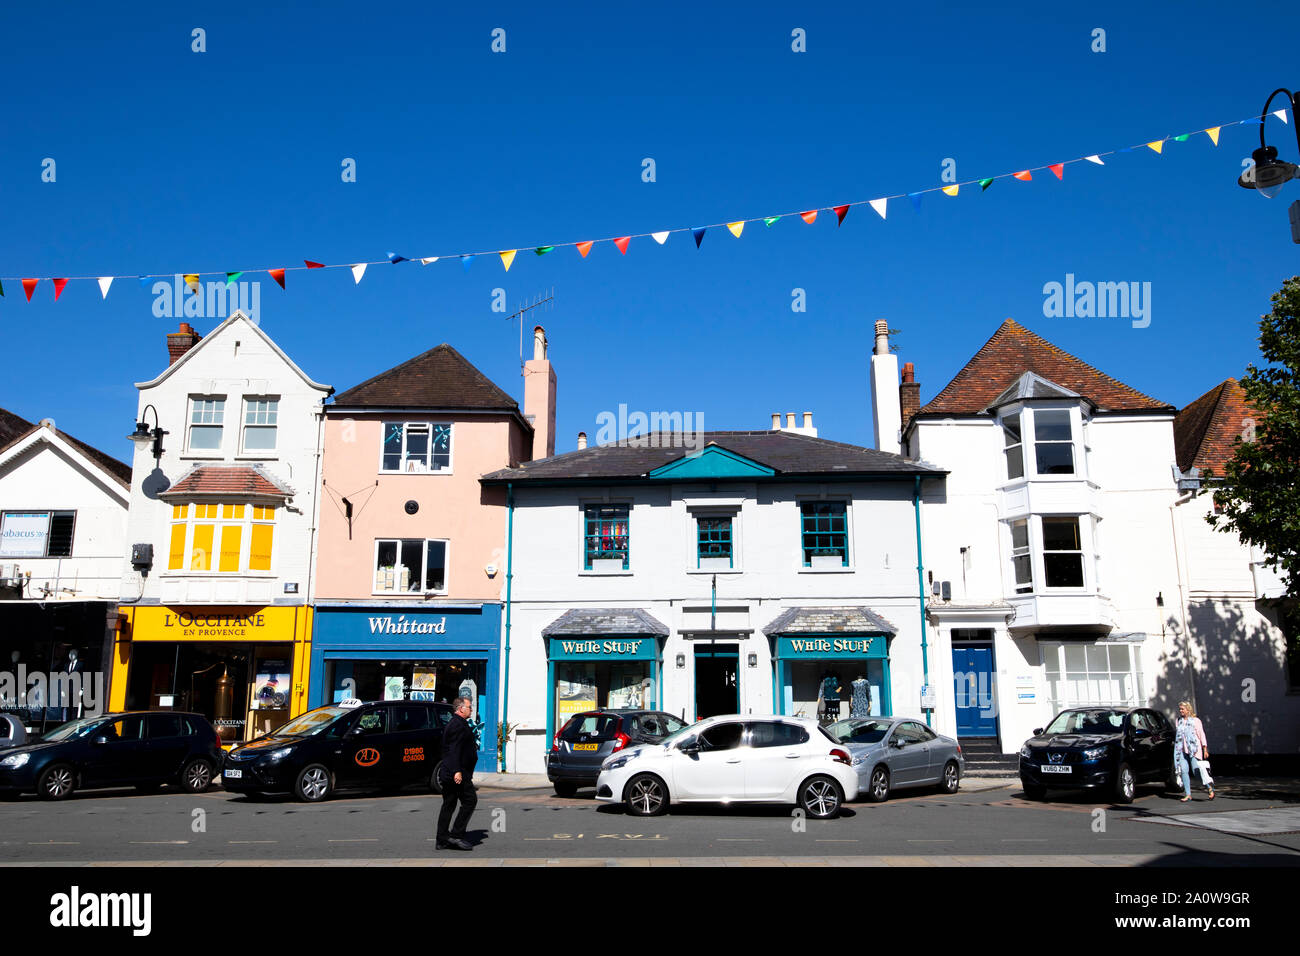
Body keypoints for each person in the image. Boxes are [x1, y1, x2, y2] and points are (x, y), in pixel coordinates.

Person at [436, 695, 479, 850]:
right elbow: (453, 751)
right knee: (470, 800)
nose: (471, 709)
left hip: (453, 771)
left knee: (449, 804)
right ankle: (456, 835)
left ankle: (441, 839)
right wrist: (457, 771)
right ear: (461, 709)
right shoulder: (457, 725)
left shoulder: (458, 723)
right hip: (457, 773)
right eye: (469, 707)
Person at [1174, 700, 1214, 802]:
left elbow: (1201, 734)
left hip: (1194, 749)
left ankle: (1209, 787)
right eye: (1180, 709)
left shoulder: (1196, 721)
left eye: (1182, 709)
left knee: (1197, 771)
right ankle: (1188, 794)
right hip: (1181, 749)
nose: (1181, 711)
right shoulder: (1178, 721)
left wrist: (1205, 748)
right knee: (1183, 771)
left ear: (1188, 710)